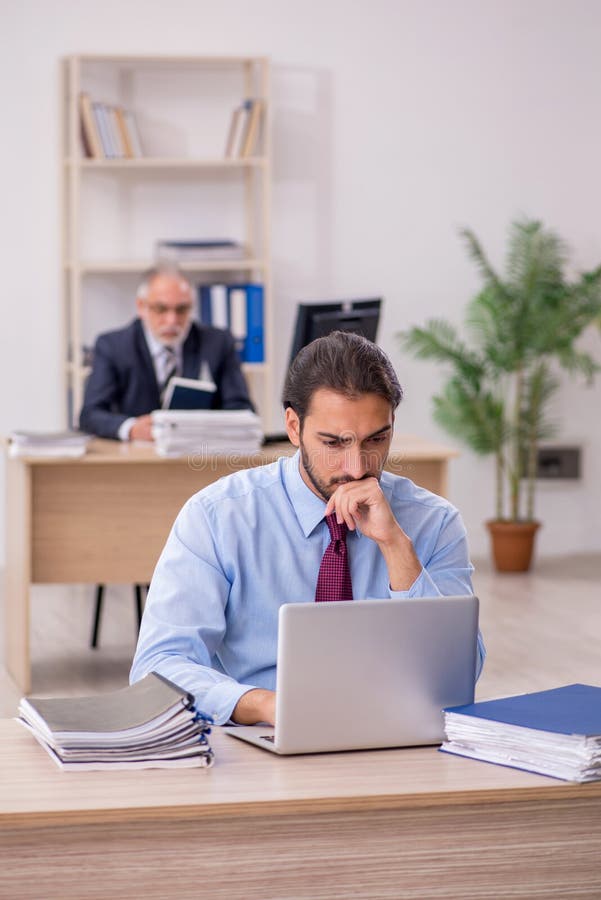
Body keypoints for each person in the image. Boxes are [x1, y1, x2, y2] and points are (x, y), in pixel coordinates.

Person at [130, 331, 485, 725]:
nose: (357, 466)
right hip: (259, 737)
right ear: (294, 427)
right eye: (334, 443)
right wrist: (266, 706)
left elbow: (458, 676)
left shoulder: (434, 523)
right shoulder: (218, 517)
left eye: (376, 439)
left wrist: (397, 546)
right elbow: (158, 667)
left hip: (393, 736)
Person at [79, 265, 252, 441]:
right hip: (136, 457)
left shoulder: (218, 343)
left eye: (182, 310)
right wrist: (131, 428)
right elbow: (90, 415)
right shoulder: (113, 346)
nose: (172, 320)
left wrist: (201, 426)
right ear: (141, 307)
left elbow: (242, 409)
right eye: (161, 309)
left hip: (199, 454)